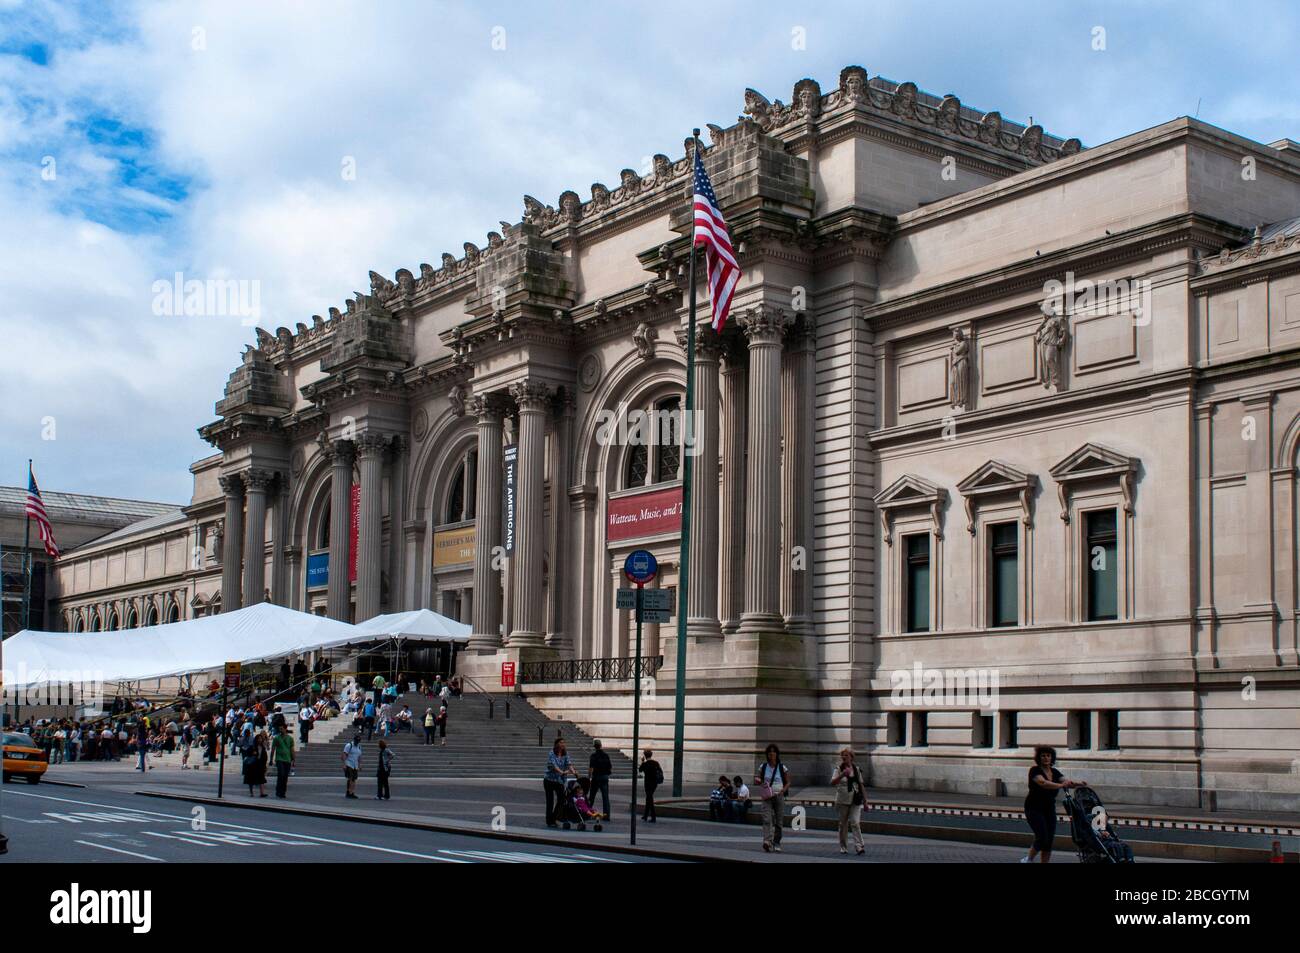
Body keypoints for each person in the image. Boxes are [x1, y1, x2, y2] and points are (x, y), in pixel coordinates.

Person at [1022, 746, 1084, 863]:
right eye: (1043, 756)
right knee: (1042, 837)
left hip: (1049, 808)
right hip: (1033, 808)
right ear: (1039, 758)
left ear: (1052, 758)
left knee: (1049, 840)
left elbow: (1066, 781)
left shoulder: (1055, 772)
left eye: (1048, 756)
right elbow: (1043, 783)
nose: (1046, 758)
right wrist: (1060, 786)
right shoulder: (1035, 770)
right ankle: (1028, 860)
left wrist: (1079, 784)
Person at [831, 747, 867, 856]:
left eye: (846, 755)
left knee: (855, 822)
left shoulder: (856, 769)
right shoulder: (838, 769)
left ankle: (859, 846)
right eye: (842, 755)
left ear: (851, 757)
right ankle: (843, 846)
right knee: (843, 824)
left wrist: (865, 801)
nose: (844, 757)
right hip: (842, 800)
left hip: (855, 800)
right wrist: (842, 775)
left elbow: (861, 785)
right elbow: (832, 782)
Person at [755, 744, 790, 853]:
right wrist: (758, 780)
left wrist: (783, 790)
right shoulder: (763, 767)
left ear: (777, 754)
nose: (771, 754)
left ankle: (777, 842)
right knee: (767, 819)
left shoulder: (782, 767)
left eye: (774, 752)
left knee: (779, 821)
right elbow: (757, 778)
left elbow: (788, 781)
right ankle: (767, 841)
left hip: (778, 795)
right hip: (766, 796)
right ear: (767, 754)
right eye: (769, 752)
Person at [543, 738, 575, 828]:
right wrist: (561, 771)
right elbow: (553, 765)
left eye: (564, 743)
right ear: (556, 744)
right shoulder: (552, 753)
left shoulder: (565, 753)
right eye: (561, 742)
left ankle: (554, 818)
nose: (563, 744)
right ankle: (549, 821)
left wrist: (574, 771)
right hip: (549, 780)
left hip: (559, 781)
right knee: (550, 801)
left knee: (561, 800)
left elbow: (569, 764)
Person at [588, 740, 613, 822]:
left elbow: (591, 768)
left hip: (596, 777)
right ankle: (607, 815)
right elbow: (610, 766)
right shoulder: (606, 755)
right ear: (601, 745)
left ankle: (587, 813)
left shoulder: (593, 755)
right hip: (605, 777)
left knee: (592, 796)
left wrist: (589, 777)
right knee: (605, 797)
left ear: (594, 746)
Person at [639, 749, 663, 823]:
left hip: (647, 783)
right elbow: (660, 771)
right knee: (648, 798)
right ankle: (646, 815)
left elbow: (640, 770)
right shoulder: (656, 763)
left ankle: (653, 817)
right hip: (654, 783)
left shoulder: (645, 764)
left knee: (649, 799)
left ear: (645, 756)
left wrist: (642, 761)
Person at [271, 726, 295, 798]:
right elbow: (273, 749)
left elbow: (292, 749)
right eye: (279, 729)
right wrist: (271, 759)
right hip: (279, 759)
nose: (280, 730)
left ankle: (283, 792)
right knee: (281, 774)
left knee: (285, 776)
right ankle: (278, 791)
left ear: (285, 729)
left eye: (282, 729)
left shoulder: (290, 738)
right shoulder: (276, 738)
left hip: (287, 759)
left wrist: (293, 758)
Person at [244, 729, 268, 797]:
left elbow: (264, 756)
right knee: (251, 780)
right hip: (253, 765)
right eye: (259, 738)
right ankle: (251, 792)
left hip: (260, 764)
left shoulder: (262, 747)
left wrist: (265, 764)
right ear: (256, 739)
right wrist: (252, 753)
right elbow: (247, 753)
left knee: (261, 778)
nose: (260, 740)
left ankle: (262, 793)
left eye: (261, 738)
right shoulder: (252, 747)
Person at [342, 733, 363, 799]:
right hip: (349, 764)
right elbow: (344, 754)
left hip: (355, 765)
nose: (357, 742)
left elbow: (359, 756)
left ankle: (351, 792)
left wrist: (360, 765)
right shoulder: (349, 745)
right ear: (354, 740)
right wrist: (344, 764)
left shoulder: (359, 746)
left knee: (354, 779)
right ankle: (350, 792)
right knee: (351, 778)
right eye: (357, 741)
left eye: (358, 741)